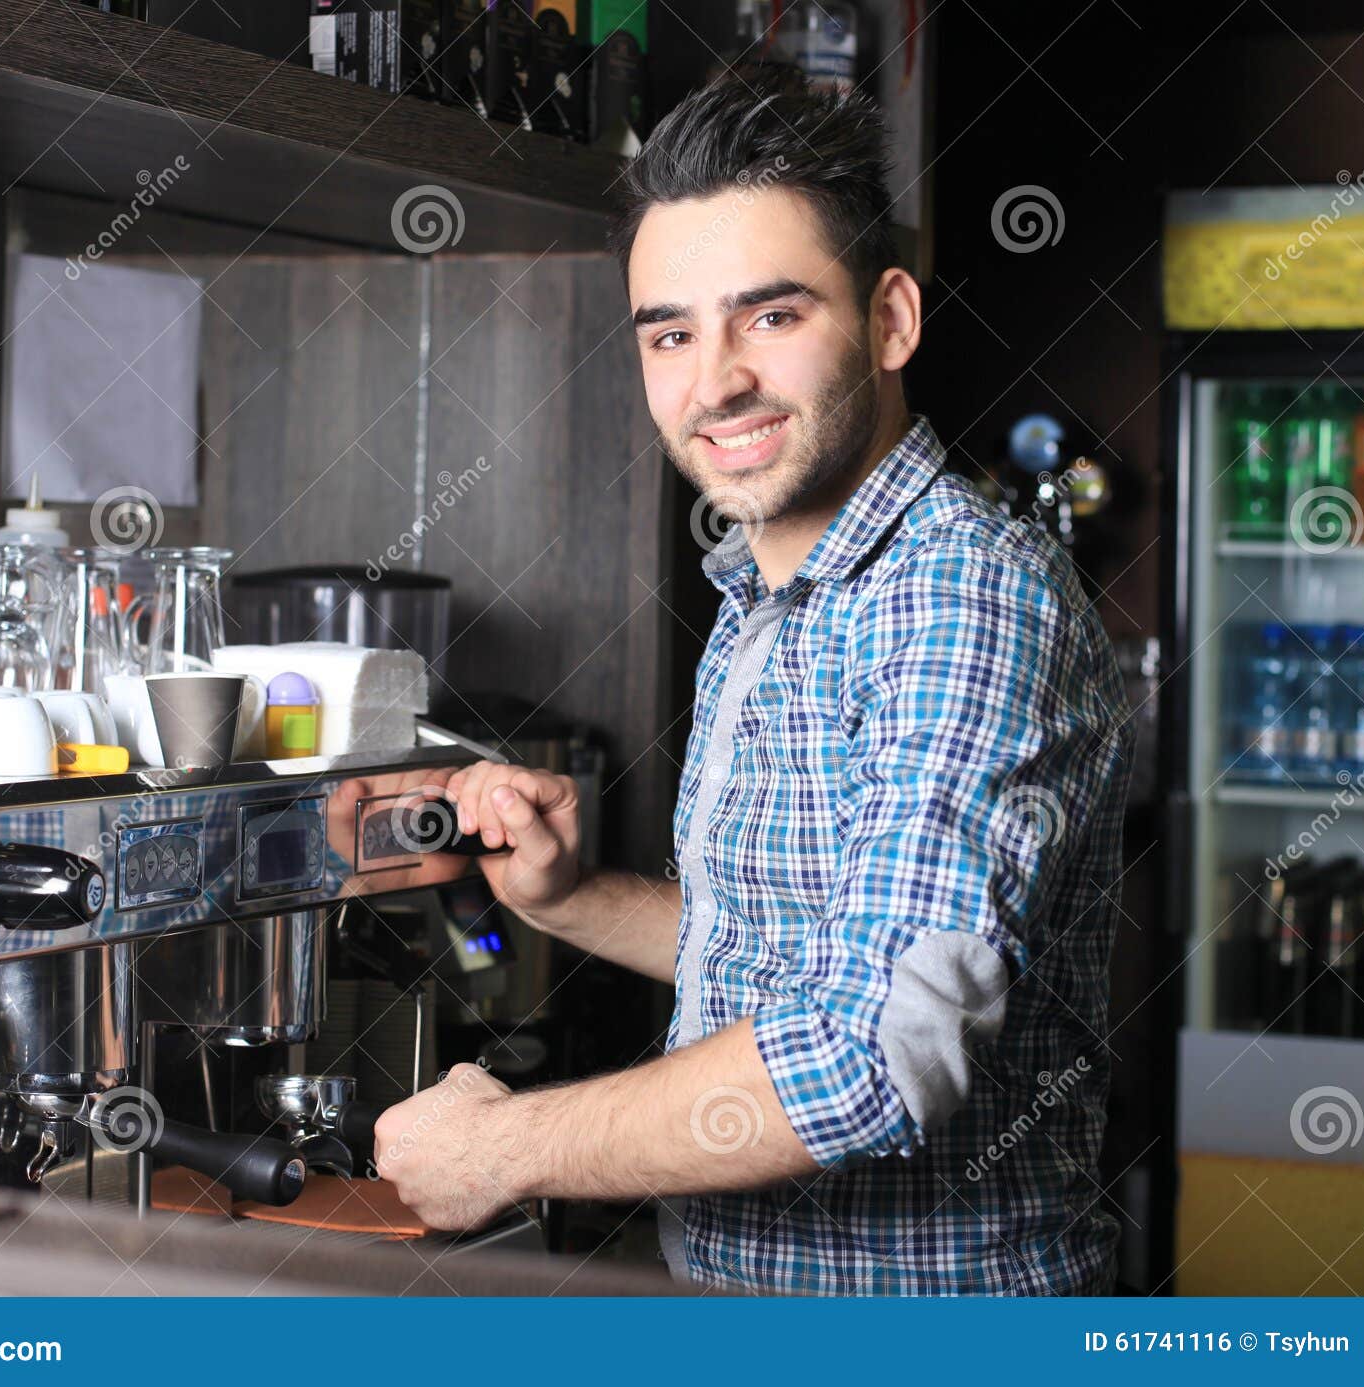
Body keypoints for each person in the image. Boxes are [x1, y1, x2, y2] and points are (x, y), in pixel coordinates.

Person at [374, 70, 1132, 1297]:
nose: (712, 380)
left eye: (769, 317)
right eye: (670, 332)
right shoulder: (768, 590)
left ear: (889, 321)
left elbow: (871, 1052)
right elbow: (805, 959)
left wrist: (507, 1149)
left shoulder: (957, 598)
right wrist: (572, 900)